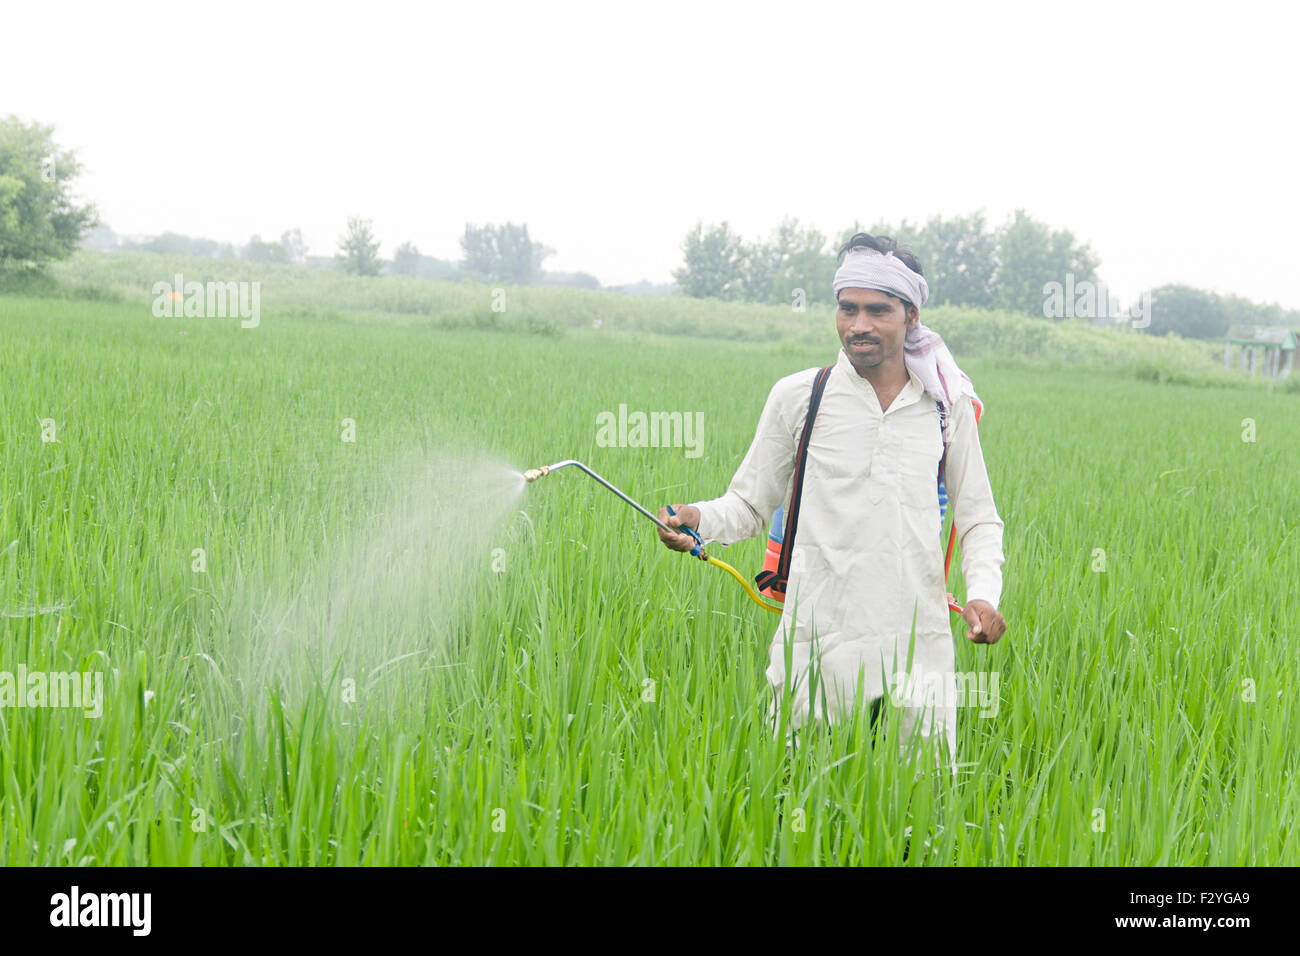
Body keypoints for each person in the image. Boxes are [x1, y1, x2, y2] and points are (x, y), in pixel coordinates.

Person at [656, 233, 1007, 772]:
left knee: (913, 810)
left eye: (877, 310)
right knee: (792, 796)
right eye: (847, 308)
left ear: (911, 316)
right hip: (815, 639)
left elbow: (978, 517)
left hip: (915, 644)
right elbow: (750, 503)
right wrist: (697, 518)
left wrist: (983, 594)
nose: (858, 324)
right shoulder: (802, 396)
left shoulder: (946, 406)